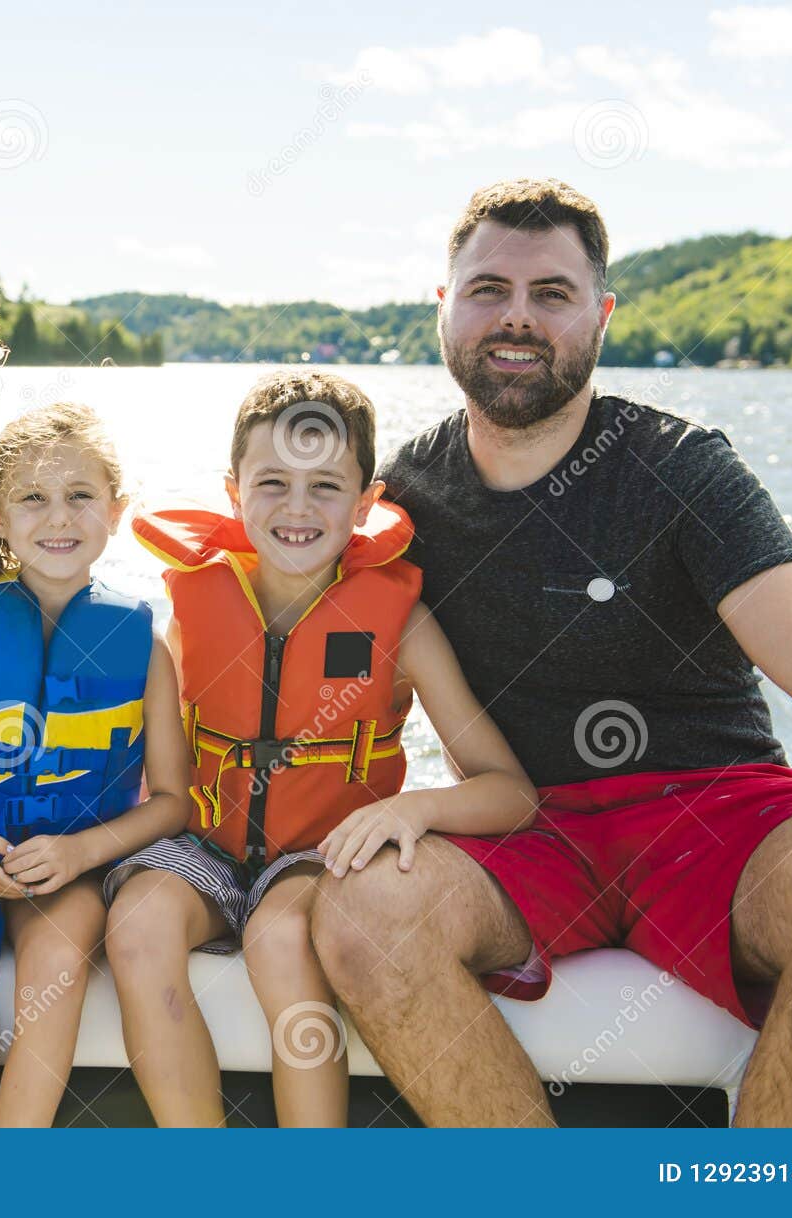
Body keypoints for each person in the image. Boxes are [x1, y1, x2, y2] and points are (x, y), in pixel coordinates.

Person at [312, 178, 792, 1128]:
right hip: (526, 827)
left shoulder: (681, 467)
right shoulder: (400, 498)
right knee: (363, 912)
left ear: (602, 315)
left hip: (719, 814)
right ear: (442, 306)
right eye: (488, 289)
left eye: (554, 294)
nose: (517, 319)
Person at [106, 371, 536, 1126]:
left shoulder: (400, 624)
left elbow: (510, 791)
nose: (297, 508)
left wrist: (415, 809)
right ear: (234, 491)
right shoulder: (193, 600)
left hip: (319, 861)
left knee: (277, 938)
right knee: (137, 929)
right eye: (272, 482)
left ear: (365, 502)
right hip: (202, 845)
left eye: (325, 486)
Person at [0, 401, 191, 1127]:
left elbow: (173, 801)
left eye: (81, 496)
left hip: (70, 868)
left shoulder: (144, 645)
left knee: (55, 965)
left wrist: (81, 852)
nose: (59, 518)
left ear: (117, 510)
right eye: (33, 498)